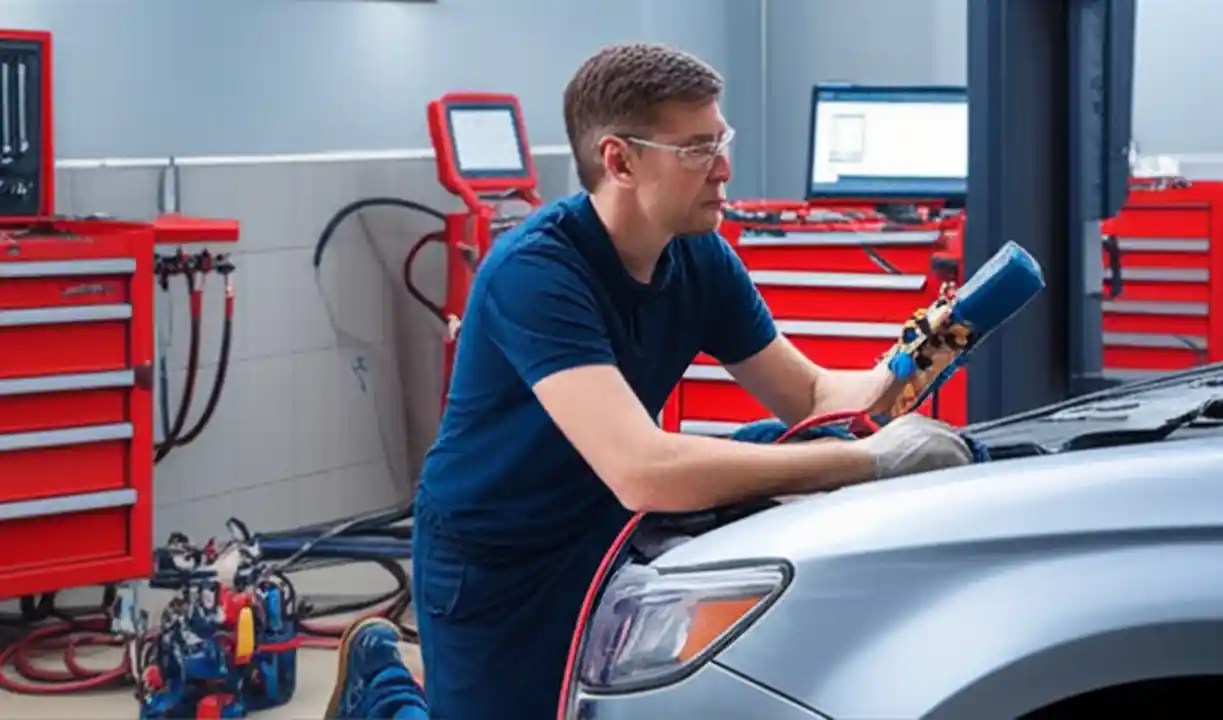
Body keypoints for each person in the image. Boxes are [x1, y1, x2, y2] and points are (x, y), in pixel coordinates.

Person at [324, 42, 975, 720]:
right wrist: (863, 461)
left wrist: (918, 360)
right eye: (696, 149)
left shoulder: (699, 256)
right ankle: (381, 691)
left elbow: (807, 397)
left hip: (603, 526)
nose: (724, 168)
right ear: (620, 160)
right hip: (495, 556)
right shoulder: (538, 273)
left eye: (720, 140)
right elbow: (642, 467)